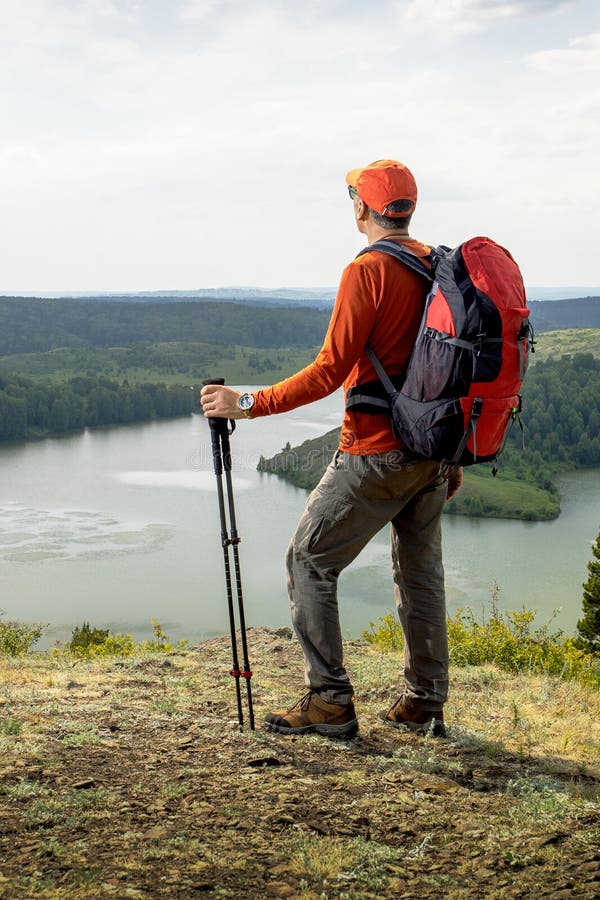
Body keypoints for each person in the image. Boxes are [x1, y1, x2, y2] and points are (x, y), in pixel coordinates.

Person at [200, 159, 462, 740]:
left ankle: (330, 701)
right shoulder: (439, 268)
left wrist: (247, 403)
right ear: (409, 208)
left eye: (352, 196)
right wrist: (450, 456)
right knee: (420, 574)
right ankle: (424, 701)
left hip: (376, 452)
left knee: (308, 561)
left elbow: (328, 370)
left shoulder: (367, 271)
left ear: (363, 206)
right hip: (433, 453)